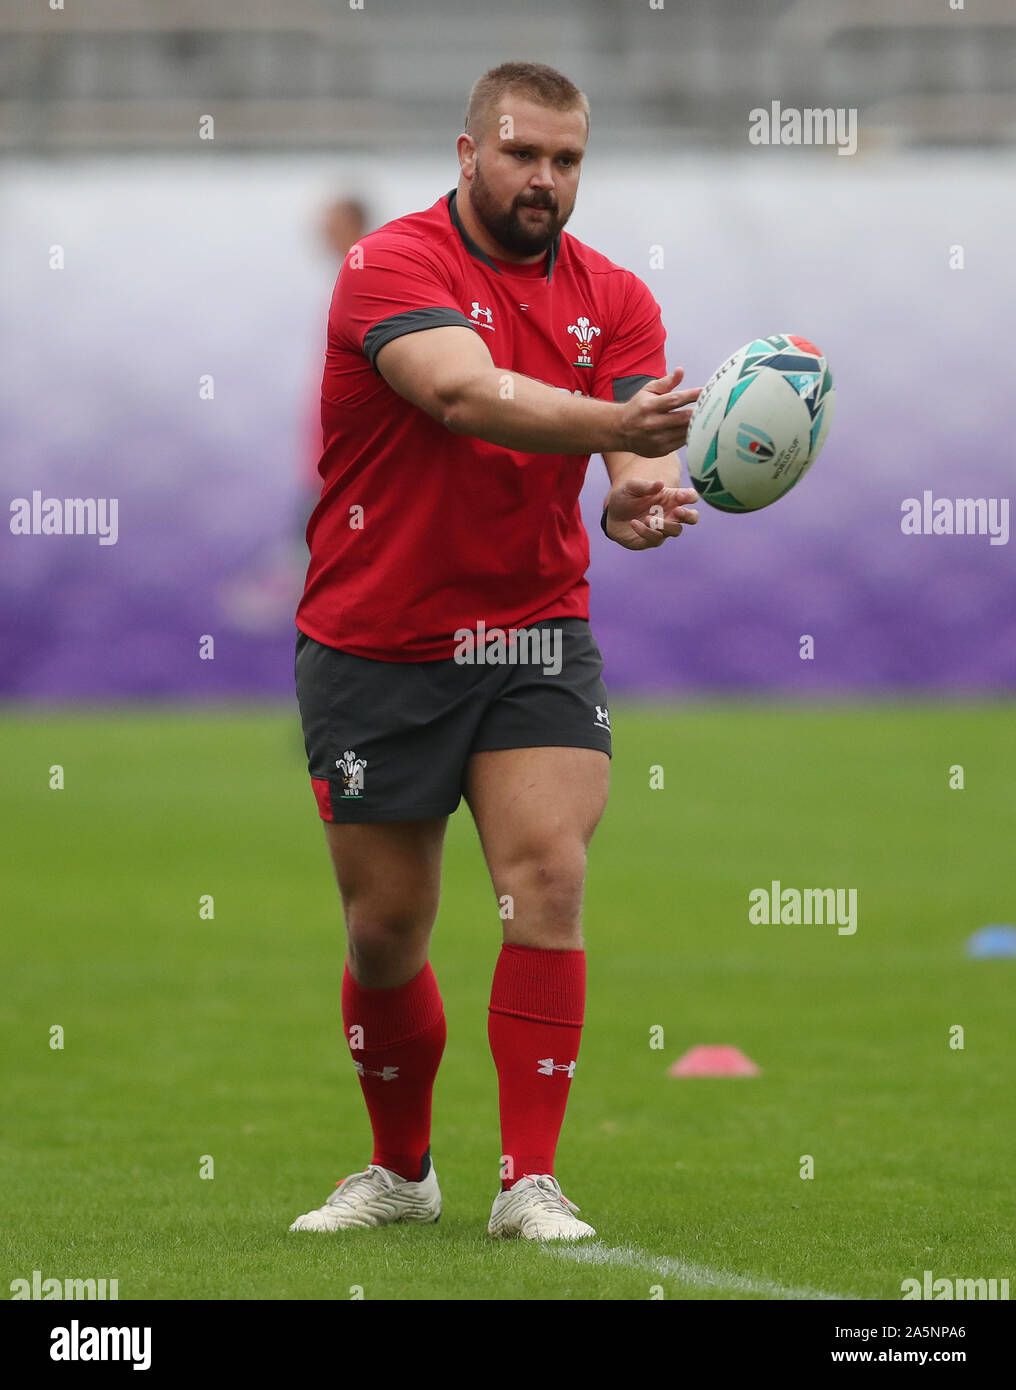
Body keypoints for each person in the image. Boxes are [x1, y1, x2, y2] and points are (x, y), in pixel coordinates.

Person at [290, 61, 700, 1241]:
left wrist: (638, 496)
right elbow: (461, 394)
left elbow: (635, 463)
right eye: (523, 155)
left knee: (547, 877)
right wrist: (618, 433)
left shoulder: (613, 297)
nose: (545, 180)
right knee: (384, 929)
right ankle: (400, 1169)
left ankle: (529, 1179)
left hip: (532, 633)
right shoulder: (392, 265)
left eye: (567, 161)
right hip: (376, 638)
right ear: (468, 154)